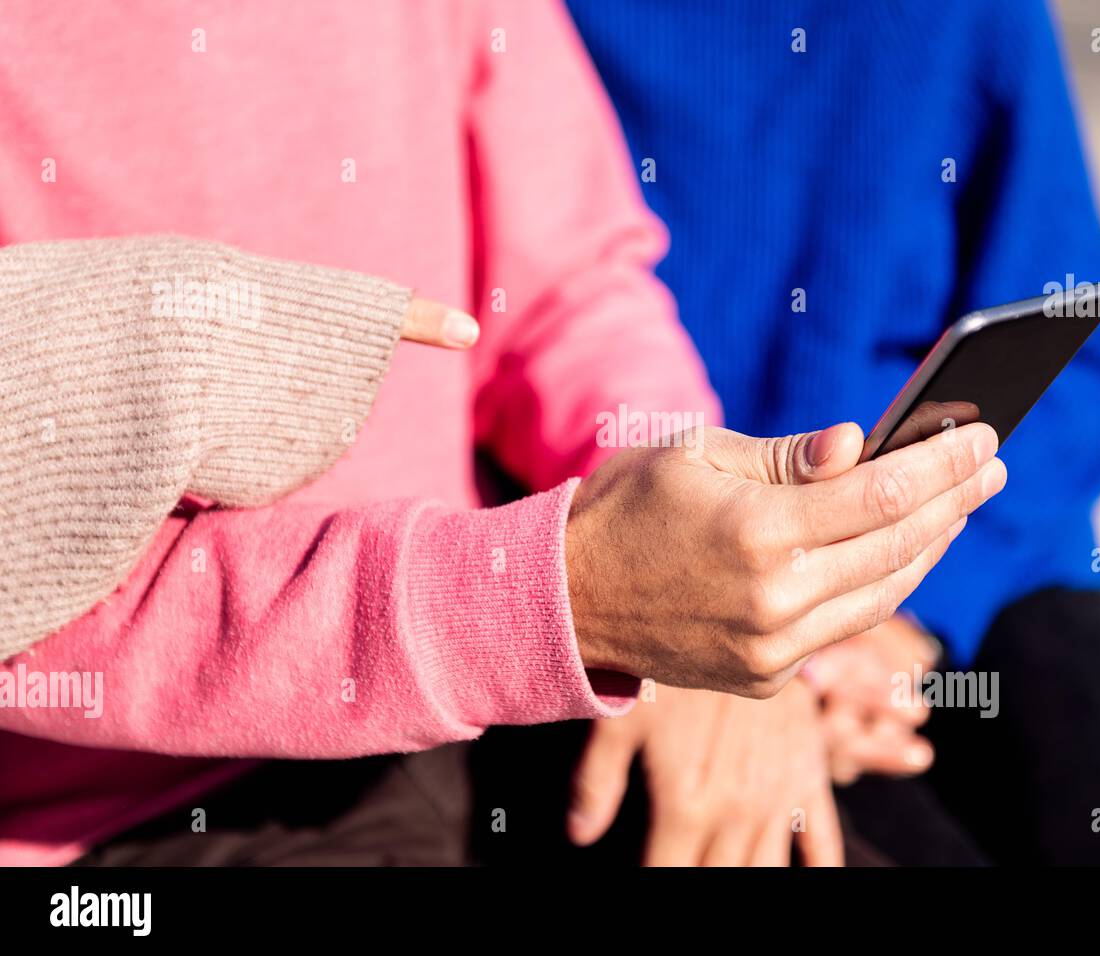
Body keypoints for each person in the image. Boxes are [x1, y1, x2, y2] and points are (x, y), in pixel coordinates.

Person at [0, 1, 1003, 865]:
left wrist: (687, 542)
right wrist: (562, 602)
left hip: (499, 668)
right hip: (118, 813)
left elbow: (568, 290)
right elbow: (30, 573)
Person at [465, 0, 1100, 866]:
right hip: (650, 566)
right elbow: (517, 347)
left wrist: (899, 613)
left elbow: (1084, 339)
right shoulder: (517, 27)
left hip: (960, 563)